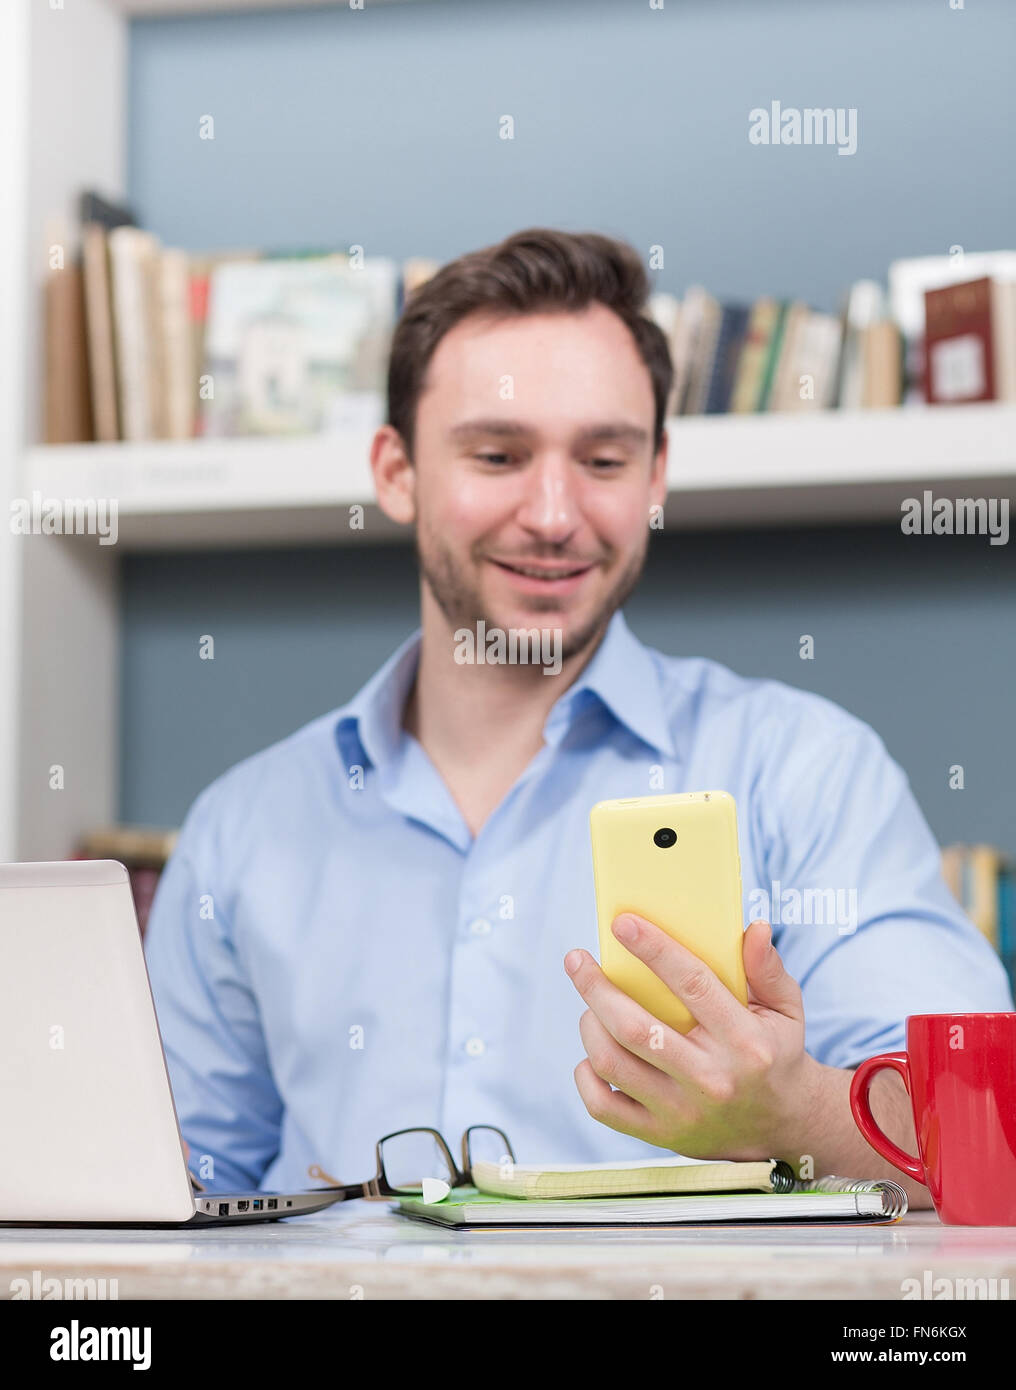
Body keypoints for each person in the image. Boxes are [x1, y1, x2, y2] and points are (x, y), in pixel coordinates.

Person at [144, 228, 1012, 1209]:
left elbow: (982, 1139)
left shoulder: (807, 773)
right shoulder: (241, 826)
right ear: (395, 472)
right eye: (497, 454)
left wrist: (793, 1112)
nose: (553, 512)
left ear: (653, 478)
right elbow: (166, 1199)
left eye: (602, 458)